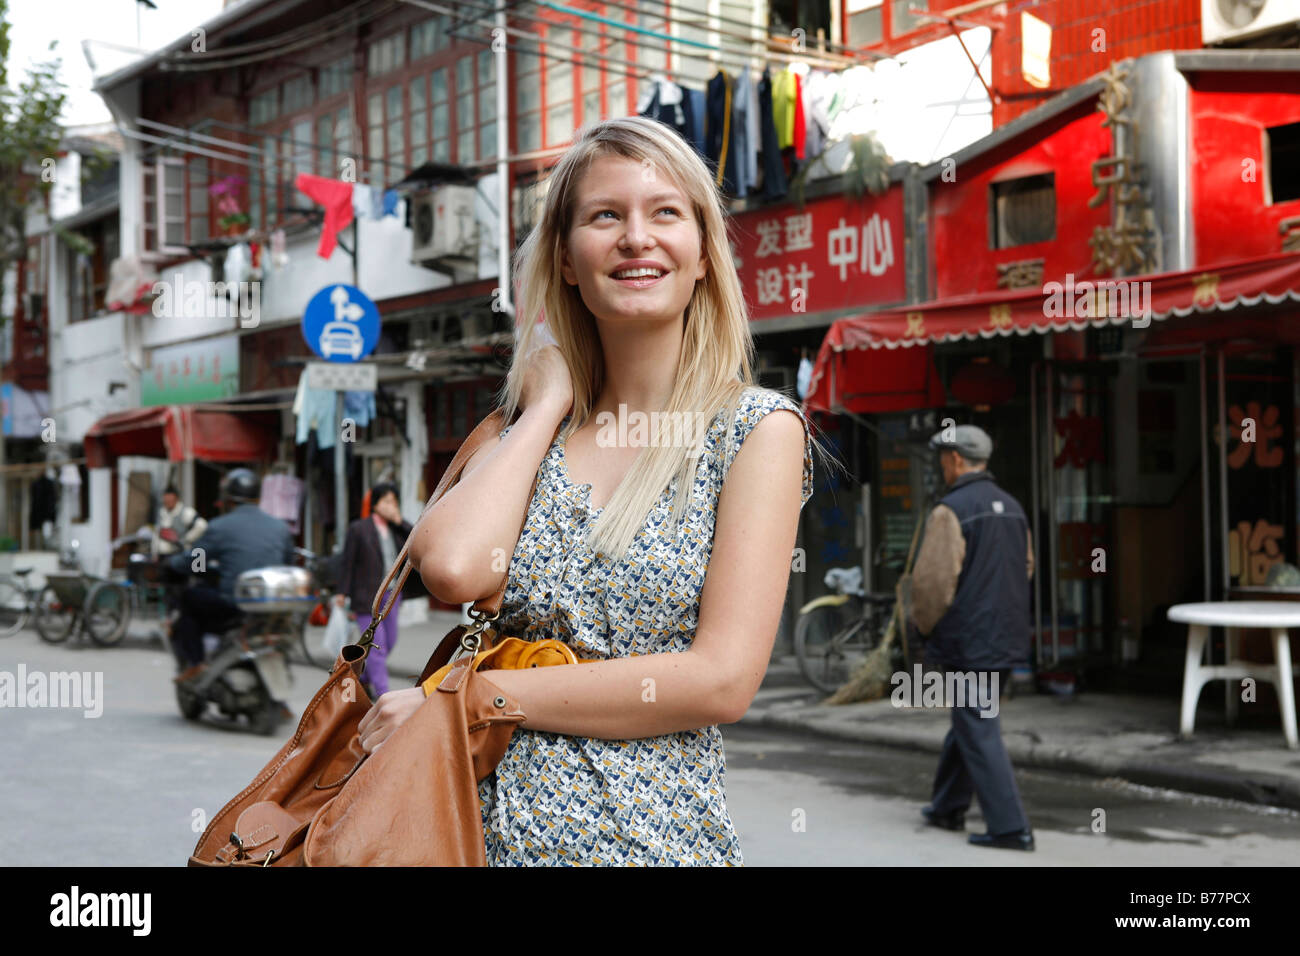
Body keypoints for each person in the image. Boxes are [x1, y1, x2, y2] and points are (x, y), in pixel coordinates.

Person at [359, 116, 817, 866]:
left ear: (702, 254)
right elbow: (451, 569)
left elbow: (720, 680)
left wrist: (471, 700)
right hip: (465, 837)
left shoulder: (754, 431)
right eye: (605, 216)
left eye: (665, 212)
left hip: (648, 844)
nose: (637, 238)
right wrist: (544, 406)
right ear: (567, 261)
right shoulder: (527, 432)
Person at [910, 425, 1036, 852]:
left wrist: (921, 627)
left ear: (956, 460)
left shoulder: (951, 509)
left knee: (977, 726)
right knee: (971, 720)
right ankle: (947, 806)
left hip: (968, 640)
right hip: (1006, 636)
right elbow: (1027, 567)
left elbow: (932, 585)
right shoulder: (1014, 507)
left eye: (943, 458)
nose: (942, 466)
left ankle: (1010, 828)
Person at [168, 468, 295, 677]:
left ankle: (195, 664)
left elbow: (194, 561)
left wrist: (173, 564)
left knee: (189, 599)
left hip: (234, 606)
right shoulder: (279, 527)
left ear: (228, 499)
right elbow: (288, 563)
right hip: (273, 608)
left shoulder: (220, 527)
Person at [334, 482, 412, 697]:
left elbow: (416, 543)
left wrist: (400, 522)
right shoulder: (359, 529)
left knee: (390, 641)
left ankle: (364, 678)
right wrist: (341, 592)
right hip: (366, 596)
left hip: (392, 594)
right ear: (375, 503)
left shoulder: (396, 529)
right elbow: (347, 562)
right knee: (377, 647)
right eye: (387, 501)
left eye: (394, 502)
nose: (391, 506)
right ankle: (383, 692)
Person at [151, 485, 207, 558]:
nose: (167, 502)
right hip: (162, 555)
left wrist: (185, 539)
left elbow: (202, 525)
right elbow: (156, 534)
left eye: (170, 500)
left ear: (176, 499)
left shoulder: (186, 512)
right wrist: (154, 553)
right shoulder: (161, 513)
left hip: (179, 554)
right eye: (166, 500)